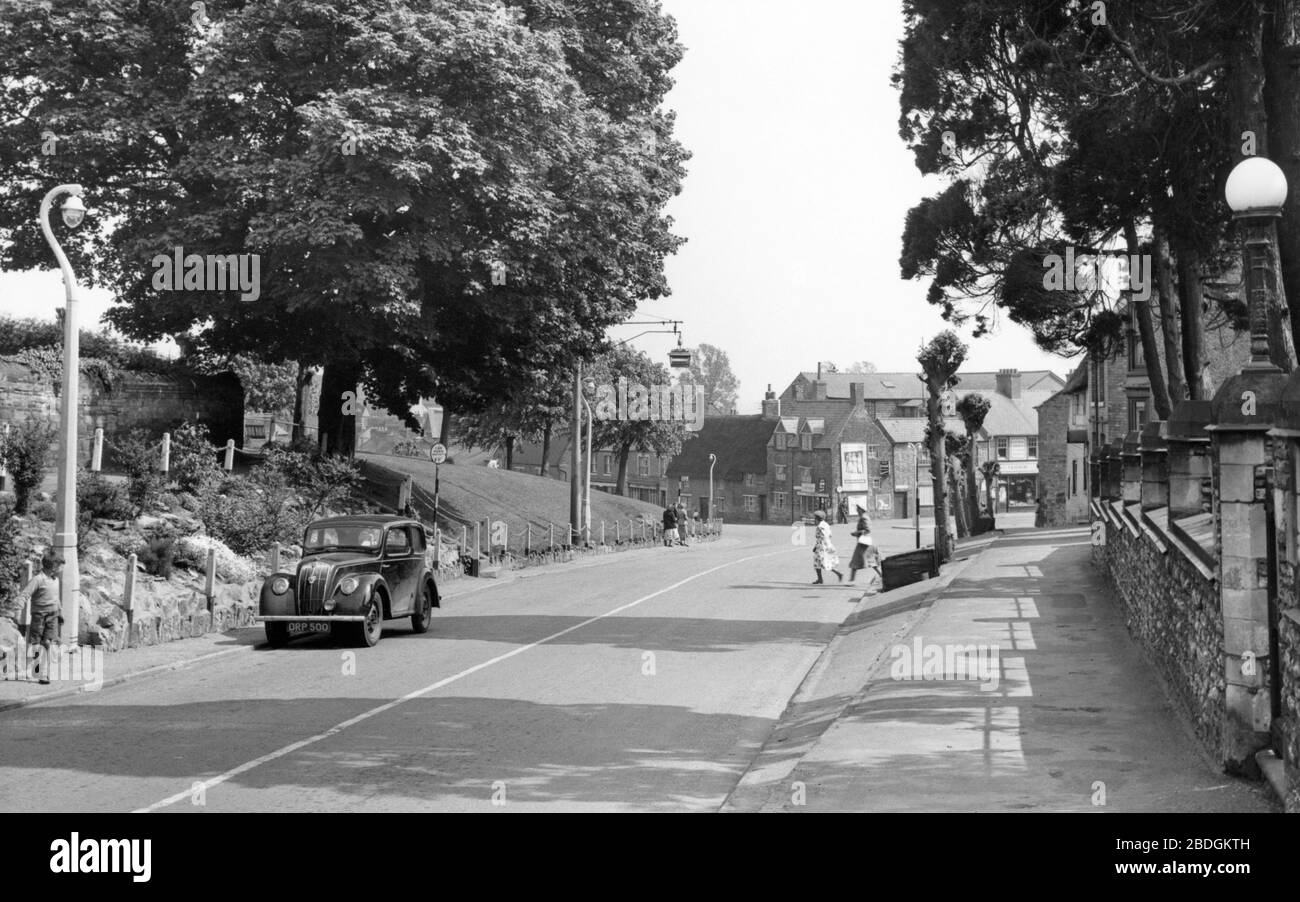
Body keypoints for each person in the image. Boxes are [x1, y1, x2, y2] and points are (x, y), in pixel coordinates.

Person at [21, 553, 63, 685]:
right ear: (54, 566)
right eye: (60, 565)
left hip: (53, 615)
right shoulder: (38, 579)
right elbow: (25, 594)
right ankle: (33, 668)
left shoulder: (55, 580)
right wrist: (18, 607)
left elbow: (56, 598)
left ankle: (43, 673)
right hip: (39, 616)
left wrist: (60, 612)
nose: (62, 568)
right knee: (35, 643)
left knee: (47, 643)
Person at [811, 510, 843, 584]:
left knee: (820, 562)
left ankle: (838, 574)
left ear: (817, 518)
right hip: (828, 544)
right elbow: (830, 535)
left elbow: (822, 537)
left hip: (822, 546)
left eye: (815, 518)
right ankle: (820, 578)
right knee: (822, 562)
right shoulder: (826, 524)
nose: (814, 520)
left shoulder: (820, 526)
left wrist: (816, 546)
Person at [847, 505, 875, 582]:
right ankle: (881, 575)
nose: (857, 510)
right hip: (864, 542)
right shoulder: (863, 517)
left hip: (863, 543)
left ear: (861, 510)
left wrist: (856, 533)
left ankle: (851, 581)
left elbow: (868, 530)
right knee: (871, 561)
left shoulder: (864, 517)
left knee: (855, 562)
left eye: (858, 509)